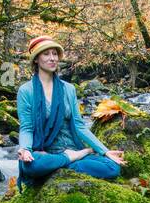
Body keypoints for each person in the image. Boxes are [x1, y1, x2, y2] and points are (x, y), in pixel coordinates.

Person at [15, 35, 123, 186]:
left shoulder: (68, 89)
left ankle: (59, 164)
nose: (52, 58)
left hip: (70, 147)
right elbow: (26, 127)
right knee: (31, 165)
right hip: (45, 151)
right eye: (46, 54)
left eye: (54, 54)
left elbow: (79, 125)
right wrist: (25, 149)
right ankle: (70, 158)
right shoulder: (26, 91)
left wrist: (105, 151)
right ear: (36, 59)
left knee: (112, 168)